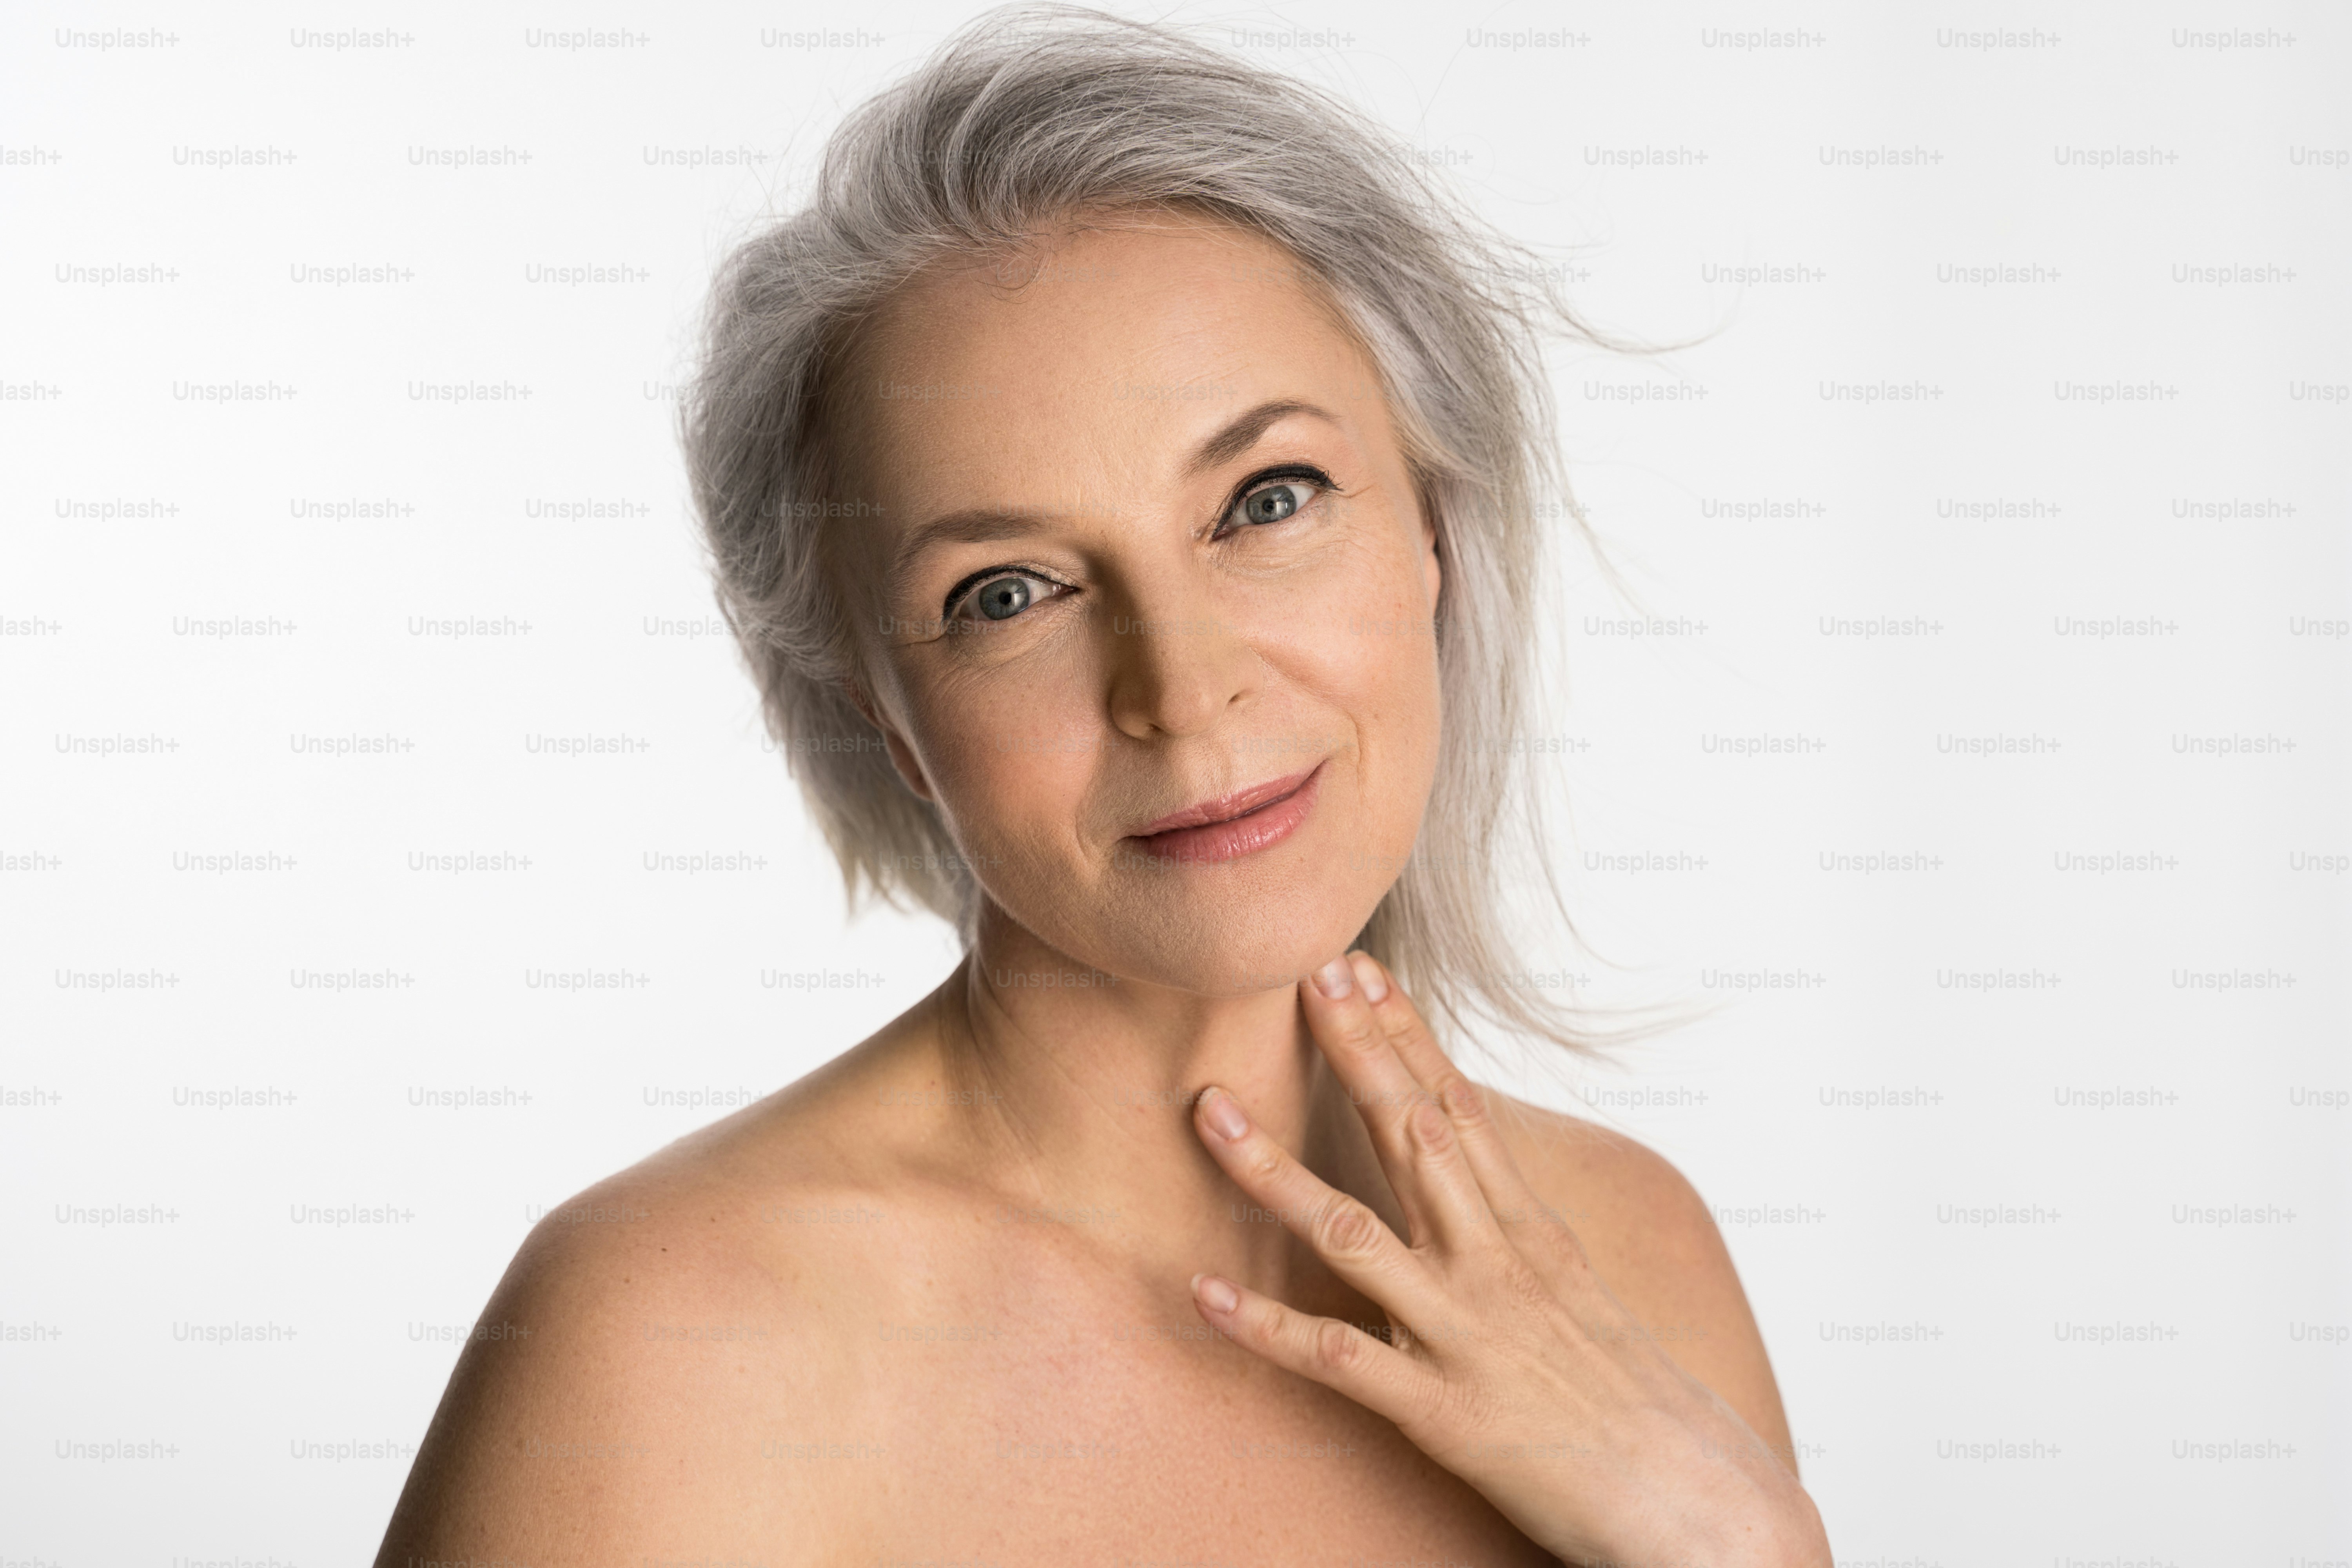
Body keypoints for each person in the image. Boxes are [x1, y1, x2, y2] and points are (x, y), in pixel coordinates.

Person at [376, 8, 1831, 1563]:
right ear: (878, 702)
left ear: (1435, 525)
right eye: (1009, 594)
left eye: (1268, 499)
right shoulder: (668, 1344)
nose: (1182, 686)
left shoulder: (1625, 1257)